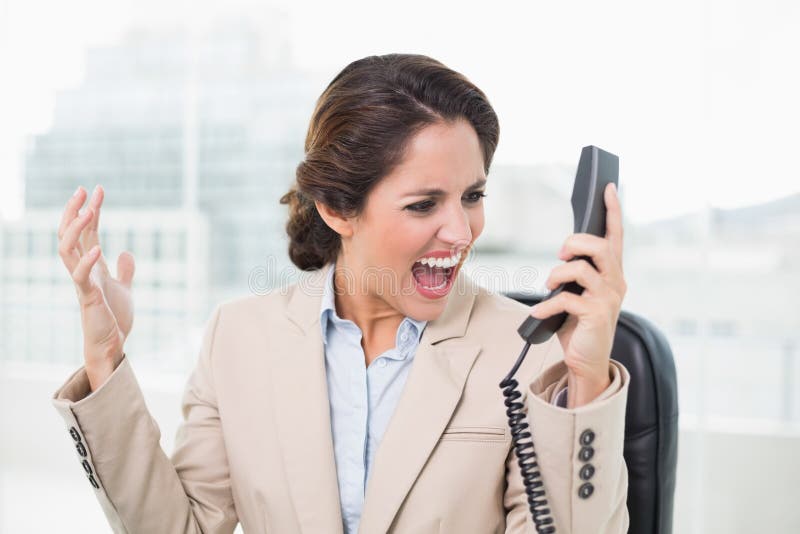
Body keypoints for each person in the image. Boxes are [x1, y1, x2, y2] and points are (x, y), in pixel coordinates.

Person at [52, 53, 630, 533]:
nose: (462, 231)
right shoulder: (239, 338)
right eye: (424, 204)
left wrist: (585, 380)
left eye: (473, 196)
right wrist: (105, 359)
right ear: (336, 209)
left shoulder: (530, 354)